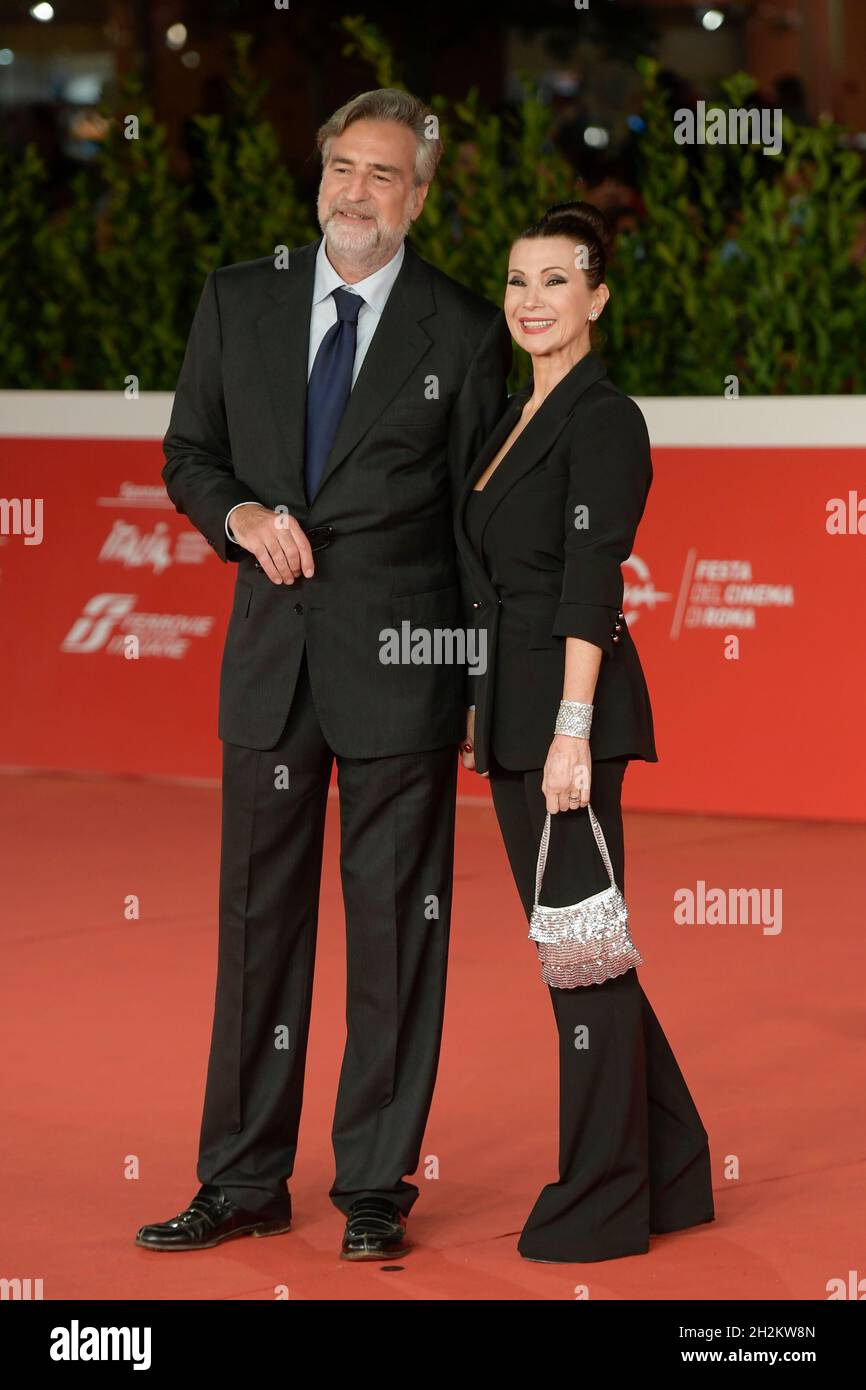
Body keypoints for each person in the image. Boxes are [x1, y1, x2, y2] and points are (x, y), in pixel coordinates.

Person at [136, 88, 509, 1260]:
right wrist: (239, 514)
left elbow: (479, 528)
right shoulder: (238, 297)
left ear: (419, 197)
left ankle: (374, 1185)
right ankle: (242, 1177)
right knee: (257, 927)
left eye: (383, 174)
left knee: (395, 932)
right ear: (319, 174)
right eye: (342, 166)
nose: (355, 192)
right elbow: (188, 453)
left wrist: (478, 680)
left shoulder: (462, 329)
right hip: (270, 666)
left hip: (404, 668)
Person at [455, 201, 714, 1262]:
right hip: (513, 719)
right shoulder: (511, 417)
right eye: (518, 281)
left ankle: (603, 1197)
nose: (532, 300)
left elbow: (588, 582)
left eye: (556, 281)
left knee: (581, 959)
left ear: (596, 297)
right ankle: (675, 1168)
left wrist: (570, 731)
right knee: (581, 951)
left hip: (569, 723)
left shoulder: (605, 419)